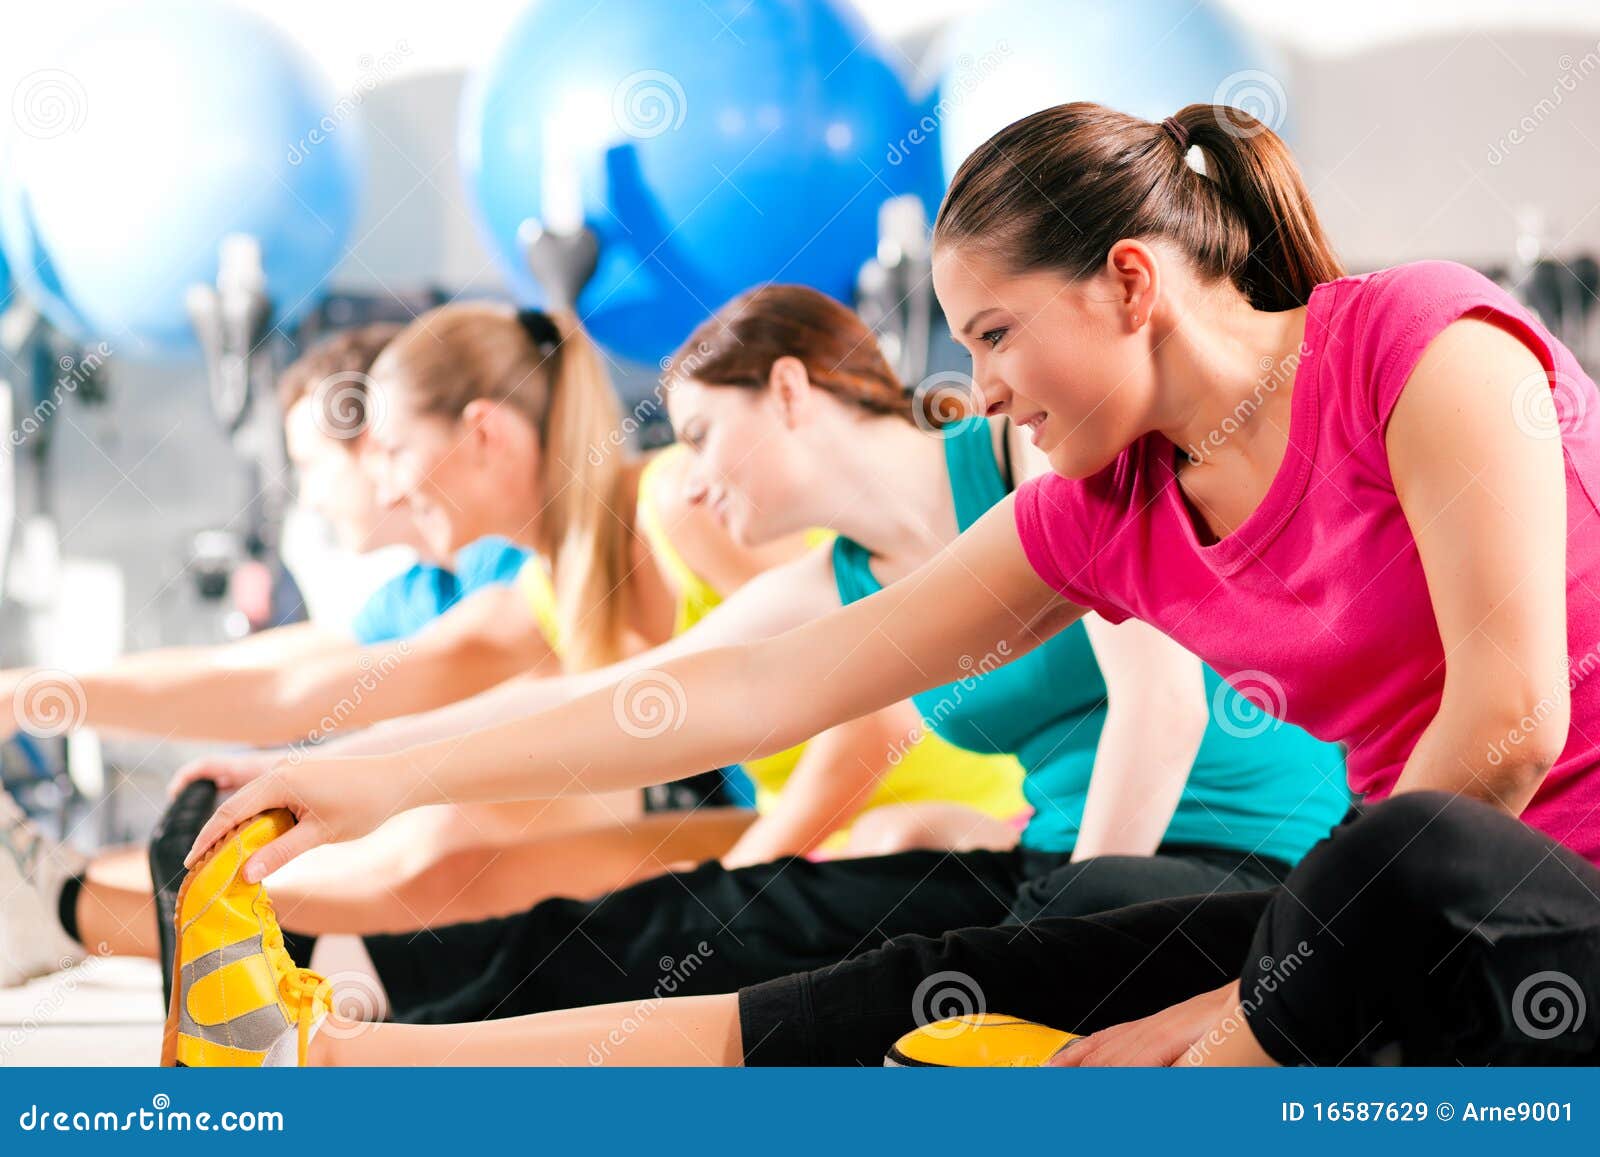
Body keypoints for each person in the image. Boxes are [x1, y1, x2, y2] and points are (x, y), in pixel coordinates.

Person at [176, 98, 1600, 1067]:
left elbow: (1508, 729)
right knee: (983, 961)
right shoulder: (1104, 506)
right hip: (1383, 920)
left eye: (995, 334)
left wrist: (1233, 1024)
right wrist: (383, 775)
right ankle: (345, 1063)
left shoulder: (1422, 344)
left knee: (1404, 853)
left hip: (1524, 908)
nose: (979, 388)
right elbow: (751, 686)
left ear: (1128, 283)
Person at [161, 280, 1345, 1063]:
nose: (691, 478)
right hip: (1060, 866)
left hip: (1220, 870)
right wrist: (347, 768)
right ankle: (346, 1002)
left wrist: (1051, 949)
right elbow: (634, 700)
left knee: (901, 977)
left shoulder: (1039, 463)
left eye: (700, 434)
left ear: (786, 390)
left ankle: (355, 1047)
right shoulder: (844, 574)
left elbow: (1160, 704)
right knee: (709, 914)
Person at [0, 301, 1022, 984]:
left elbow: (865, 720)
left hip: (905, 822)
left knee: (476, 859)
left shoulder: (690, 502)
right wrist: (318, 767)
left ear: (484, 431)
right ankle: (83, 912)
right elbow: (315, 689)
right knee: (453, 863)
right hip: (815, 823)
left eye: (393, 450)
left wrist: (739, 888)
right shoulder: (551, 584)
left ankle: (83, 911)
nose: (384, 481)